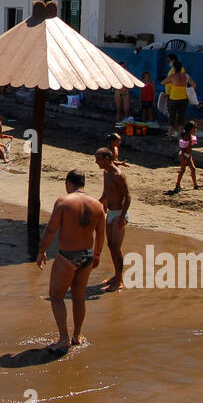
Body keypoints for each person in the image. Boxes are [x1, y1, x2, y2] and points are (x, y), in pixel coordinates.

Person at [36, 170, 107, 354]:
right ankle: (77, 336)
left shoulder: (63, 202)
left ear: (69, 183)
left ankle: (63, 338)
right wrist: (97, 255)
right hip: (88, 255)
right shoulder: (97, 205)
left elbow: (51, 230)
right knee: (79, 296)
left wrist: (42, 251)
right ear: (83, 183)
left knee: (57, 296)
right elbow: (100, 235)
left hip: (68, 256)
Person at [94, 148, 130, 292]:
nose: (96, 162)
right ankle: (116, 275)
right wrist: (98, 204)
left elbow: (128, 196)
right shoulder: (106, 173)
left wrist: (122, 217)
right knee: (110, 246)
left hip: (120, 214)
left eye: (98, 159)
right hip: (110, 212)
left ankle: (119, 281)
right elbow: (106, 192)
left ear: (106, 160)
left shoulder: (118, 175)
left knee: (116, 247)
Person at [162, 60, 196, 136]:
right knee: (181, 118)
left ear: (174, 68)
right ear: (181, 68)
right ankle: (179, 136)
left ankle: (170, 136)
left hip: (173, 99)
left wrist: (172, 82)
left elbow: (163, 82)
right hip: (184, 99)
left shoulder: (172, 76)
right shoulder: (186, 76)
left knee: (172, 118)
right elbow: (194, 85)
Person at [173, 120, 200, 192]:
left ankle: (195, 184)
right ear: (190, 129)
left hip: (187, 155)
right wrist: (185, 158)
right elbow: (182, 148)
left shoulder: (189, 136)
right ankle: (177, 184)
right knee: (183, 169)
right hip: (184, 155)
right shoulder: (187, 136)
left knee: (193, 169)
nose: (195, 130)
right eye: (194, 128)